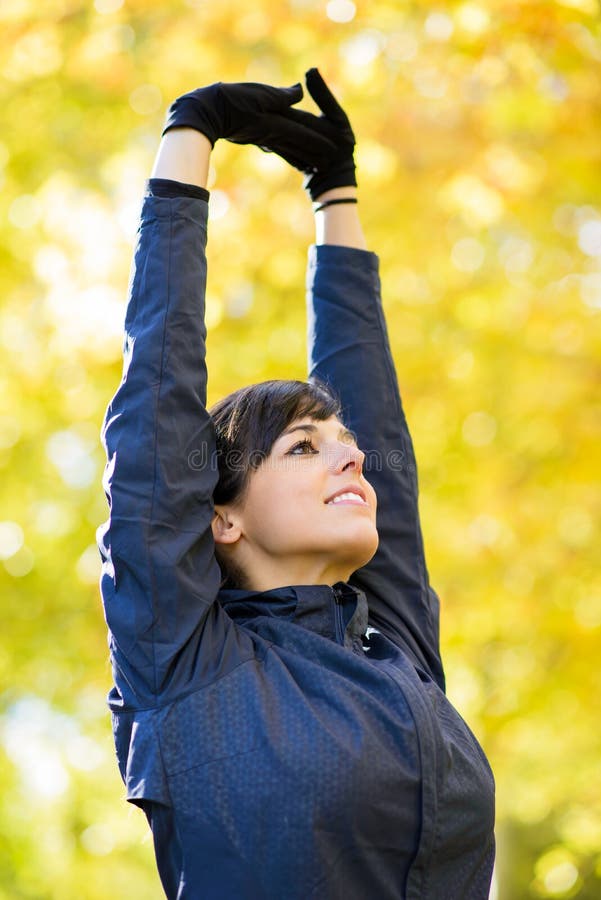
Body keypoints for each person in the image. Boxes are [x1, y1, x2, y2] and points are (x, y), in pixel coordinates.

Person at [98, 69, 495, 899]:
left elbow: (378, 427)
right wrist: (191, 133)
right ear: (222, 519)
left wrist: (335, 194)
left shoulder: (393, 652)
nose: (351, 459)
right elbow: (156, 408)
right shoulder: (184, 661)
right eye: (304, 448)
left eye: (342, 445)